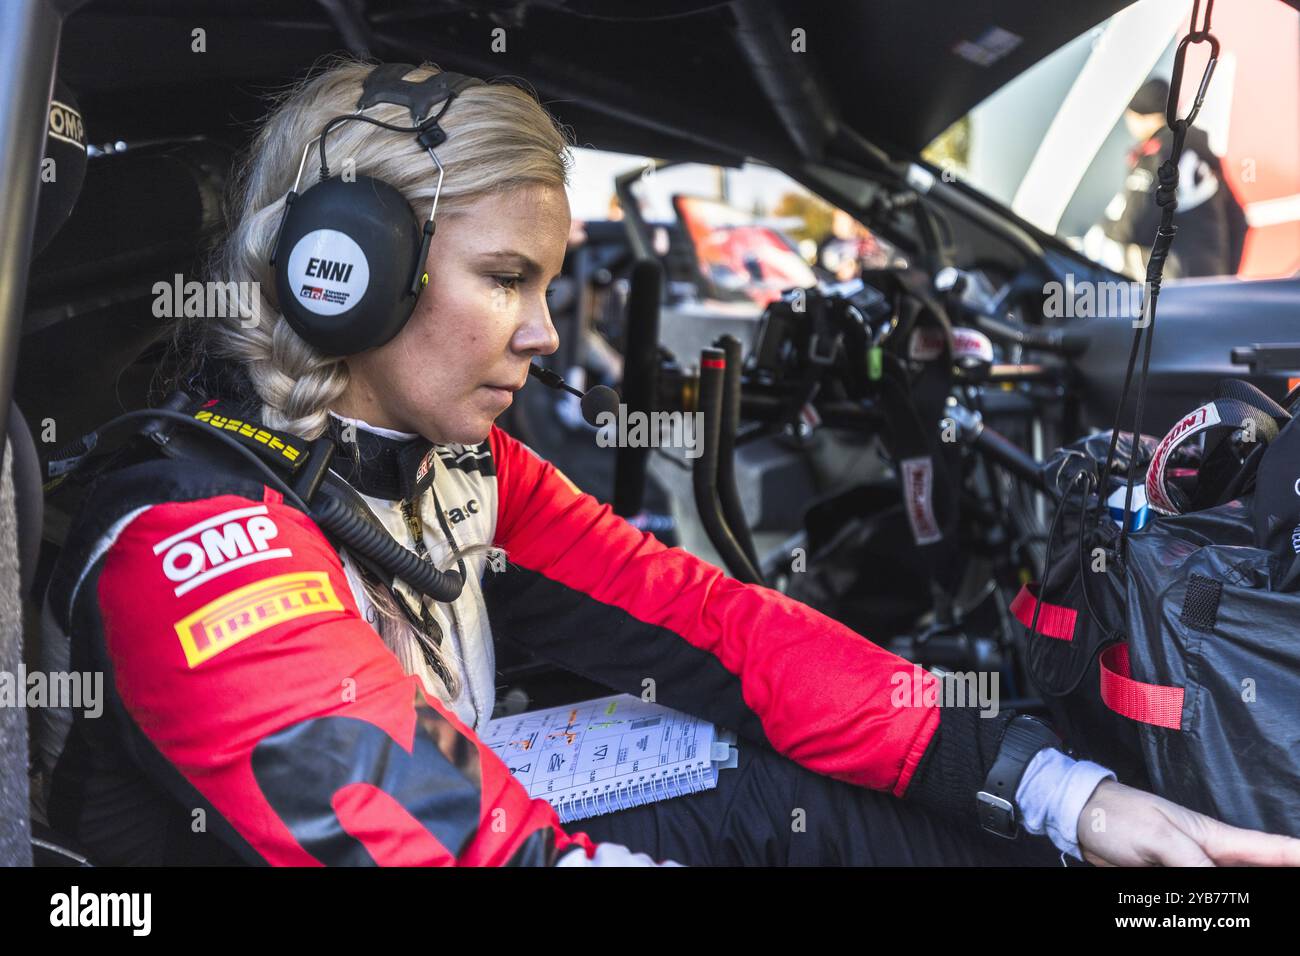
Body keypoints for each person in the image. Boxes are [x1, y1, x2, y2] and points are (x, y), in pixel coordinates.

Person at [32, 61, 1300, 868]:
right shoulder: (189, 536)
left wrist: (1049, 786)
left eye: (548, 284)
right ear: (345, 276)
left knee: (793, 773)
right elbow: (429, 837)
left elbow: (716, 625)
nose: (539, 331)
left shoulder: (447, 466)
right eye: (505, 280)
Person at [1095, 77, 1249, 279]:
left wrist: (1105, 228)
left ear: (1142, 116)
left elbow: (1133, 228)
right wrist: (1224, 275)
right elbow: (1239, 221)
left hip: (1173, 282)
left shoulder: (1158, 155)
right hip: (1211, 277)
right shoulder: (1200, 150)